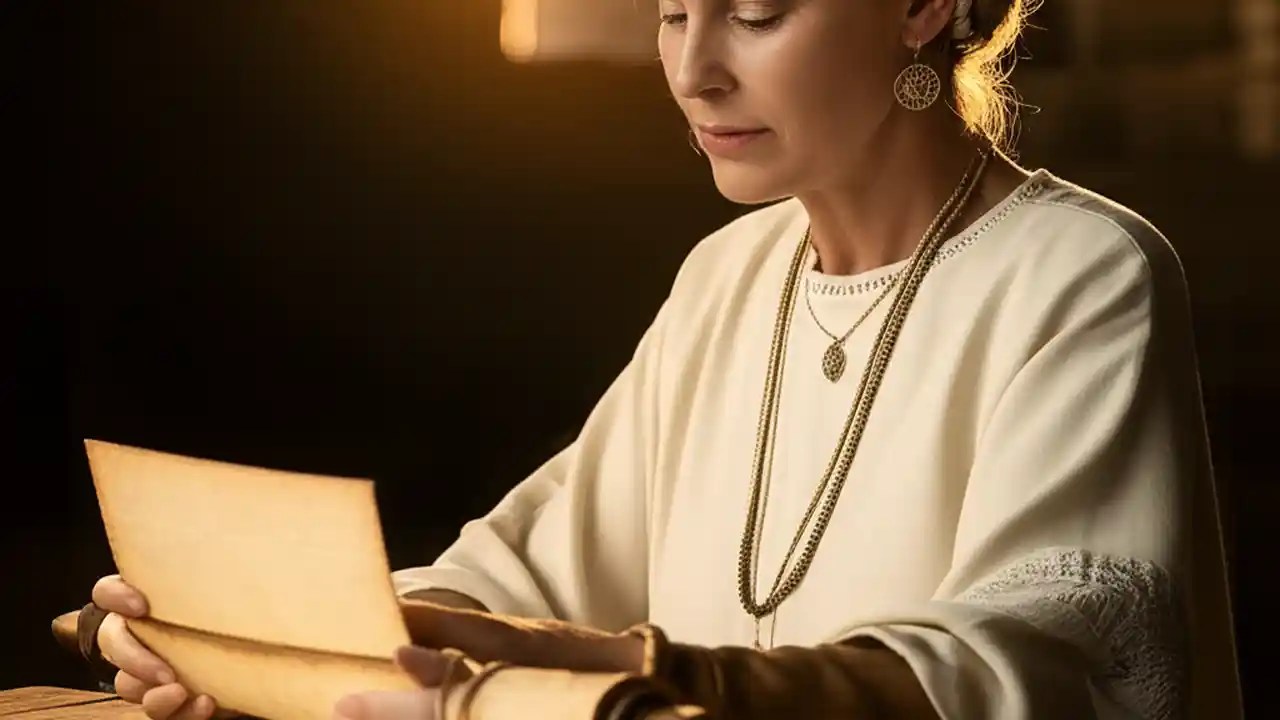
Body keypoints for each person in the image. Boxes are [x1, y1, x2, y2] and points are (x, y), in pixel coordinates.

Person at [83, 0, 1245, 717]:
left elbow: (1007, 676)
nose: (692, 72)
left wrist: (565, 663)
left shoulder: (1082, 273)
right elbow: (514, 581)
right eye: (670, 9)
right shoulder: (726, 275)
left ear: (920, 4)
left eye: (753, 12)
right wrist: (247, 642)